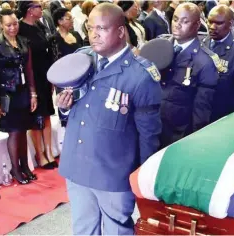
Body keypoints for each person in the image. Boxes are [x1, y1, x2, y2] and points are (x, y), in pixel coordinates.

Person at [55, 3, 162, 234]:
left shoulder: (140, 75)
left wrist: (142, 177)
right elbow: (74, 111)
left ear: (121, 32)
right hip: (78, 166)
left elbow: (148, 134)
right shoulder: (82, 60)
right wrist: (64, 108)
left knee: (117, 230)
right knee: (83, 229)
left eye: (102, 28)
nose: (94, 34)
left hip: (113, 172)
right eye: (91, 28)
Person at [0, 9, 38, 184]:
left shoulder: (24, 42)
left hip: (23, 92)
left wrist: (33, 93)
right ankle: (15, 169)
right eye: (8, 25)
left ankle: (24, 166)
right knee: (14, 132)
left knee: (23, 131)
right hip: (6, 96)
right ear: (1, 25)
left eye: (15, 23)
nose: (12, 28)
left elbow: (30, 70)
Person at [159, 2, 219, 147]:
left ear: (197, 25)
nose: (178, 25)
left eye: (185, 21)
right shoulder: (159, 48)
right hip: (152, 128)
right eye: (175, 19)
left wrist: (192, 143)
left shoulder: (205, 62)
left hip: (178, 135)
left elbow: (201, 113)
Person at [17, 1, 57, 170]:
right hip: (31, 77)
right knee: (36, 117)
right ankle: (39, 154)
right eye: (38, 6)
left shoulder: (40, 26)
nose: (42, 9)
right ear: (30, 10)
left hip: (45, 74)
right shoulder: (20, 29)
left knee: (47, 114)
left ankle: (49, 152)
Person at [202, 4, 234, 121]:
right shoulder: (201, 43)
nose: (212, 27)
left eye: (218, 23)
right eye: (210, 22)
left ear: (230, 25)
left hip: (223, 114)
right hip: (201, 110)